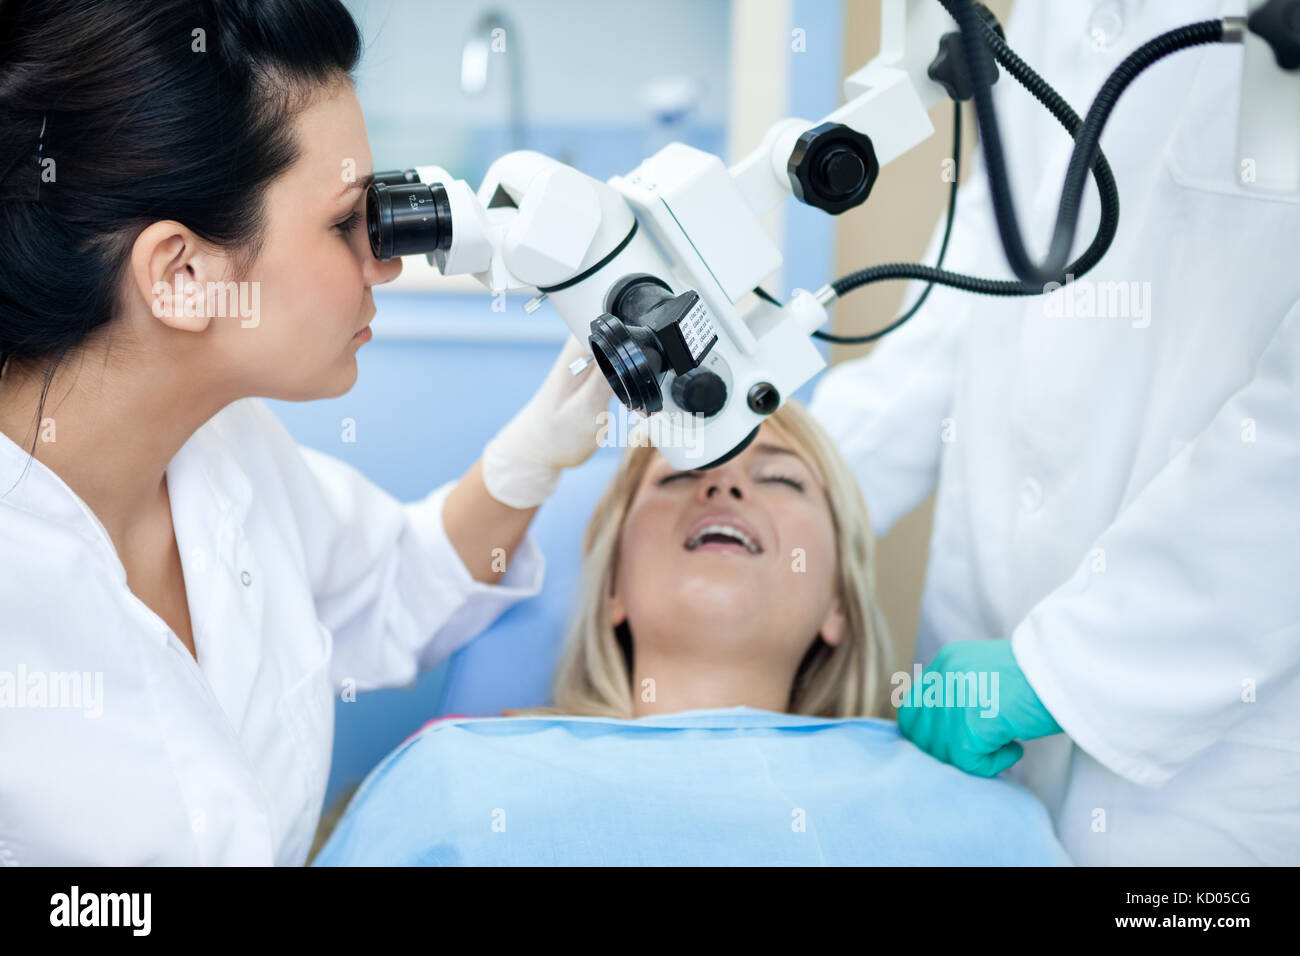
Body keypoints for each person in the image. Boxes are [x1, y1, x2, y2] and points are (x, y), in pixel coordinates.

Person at [0, 0, 610, 865]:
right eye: (343, 223)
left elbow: (395, 582)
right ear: (182, 273)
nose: (385, 259)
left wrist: (534, 454)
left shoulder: (228, 449)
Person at [809, 0, 1300, 865]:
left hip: (1215, 773)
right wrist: (798, 483)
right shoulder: (1049, 17)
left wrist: (1065, 668)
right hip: (990, 740)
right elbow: (984, 288)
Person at [311, 403, 1072, 866]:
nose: (724, 483)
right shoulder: (454, 780)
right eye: (679, 474)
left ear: (838, 603)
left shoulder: (978, 821)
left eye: (780, 479)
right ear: (612, 587)